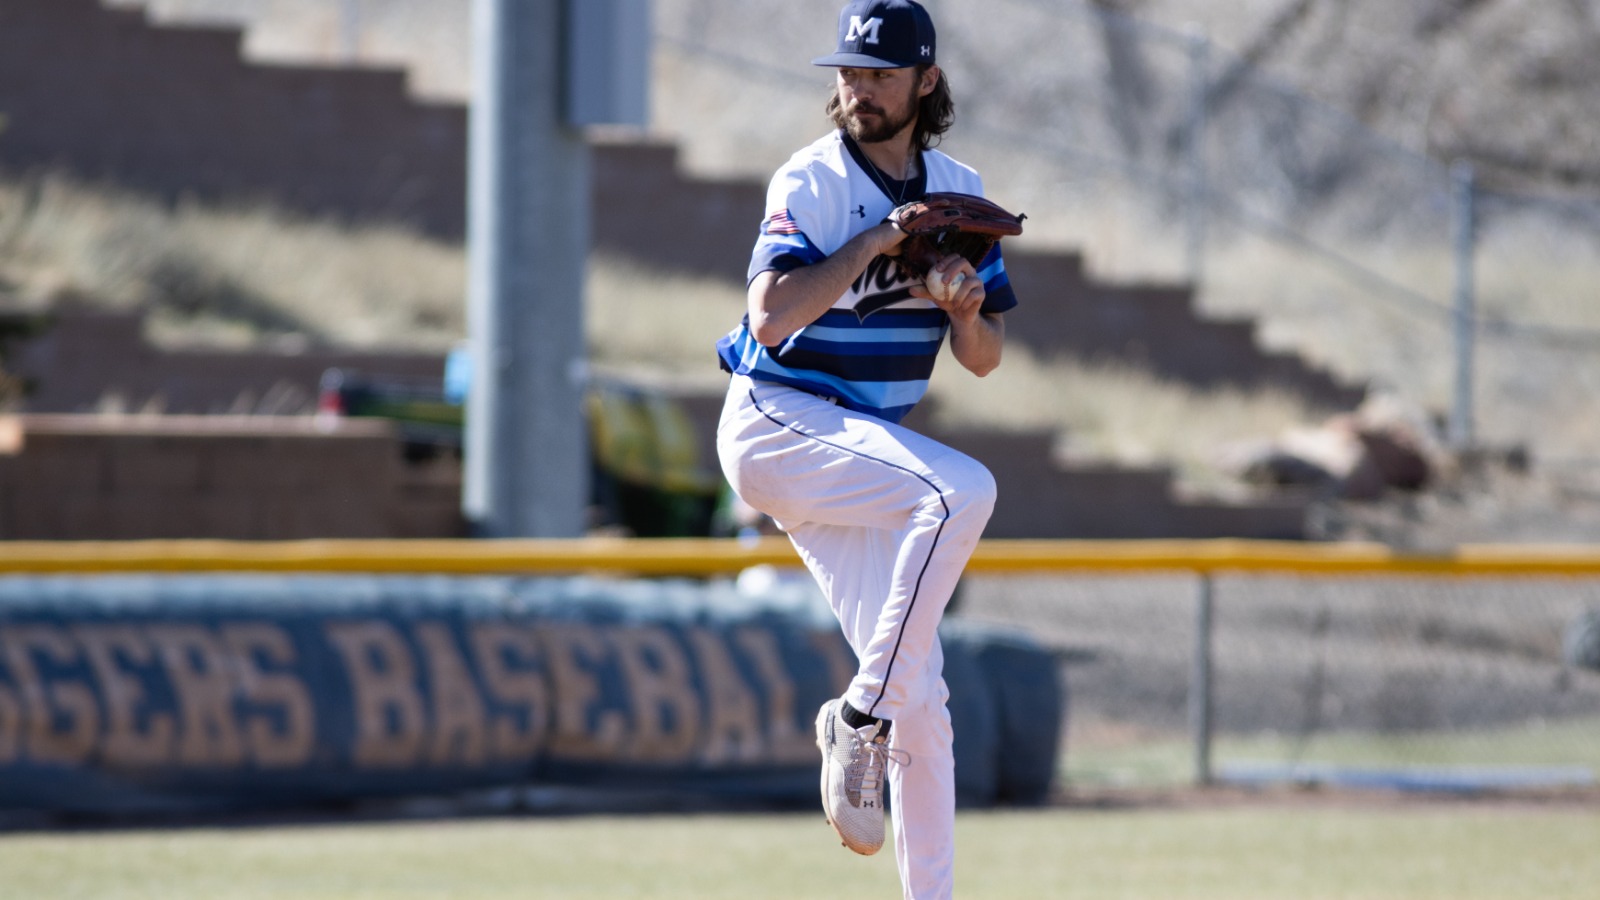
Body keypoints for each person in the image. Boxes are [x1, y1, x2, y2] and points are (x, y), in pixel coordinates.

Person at [713, 2, 1018, 896]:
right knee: (960, 492)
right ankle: (858, 717)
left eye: (880, 73)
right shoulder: (811, 179)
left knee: (925, 703)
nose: (859, 88)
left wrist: (965, 310)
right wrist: (877, 240)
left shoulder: (958, 191)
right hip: (777, 419)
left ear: (926, 81)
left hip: (858, 453)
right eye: (848, 71)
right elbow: (772, 317)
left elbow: (985, 358)